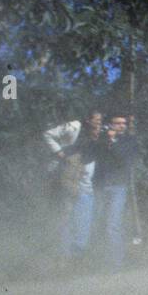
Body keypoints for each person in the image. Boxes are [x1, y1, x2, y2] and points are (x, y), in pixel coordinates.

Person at [43, 110, 101, 261]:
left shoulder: (99, 132)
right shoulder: (73, 127)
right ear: (88, 120)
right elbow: (48, 134)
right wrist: (60, 154)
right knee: (65, 216)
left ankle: (77, 256)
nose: (98, 122)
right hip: (67, 176)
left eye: (100, 120)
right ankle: (64, 255)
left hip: (84, 180)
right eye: (96, 120)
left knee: (83, 220)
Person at [93, 112, 139, 268]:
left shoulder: (130, 141)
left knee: (113, 224)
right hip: (99, 185)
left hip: (118, 186)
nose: (121, 126)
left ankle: (115, 264)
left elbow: (123, 158)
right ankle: (96, 261)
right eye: (117, 123)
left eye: (123, 123)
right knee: (96, 222)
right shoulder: (101, 139)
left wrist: (112, 140)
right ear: (110, 124)